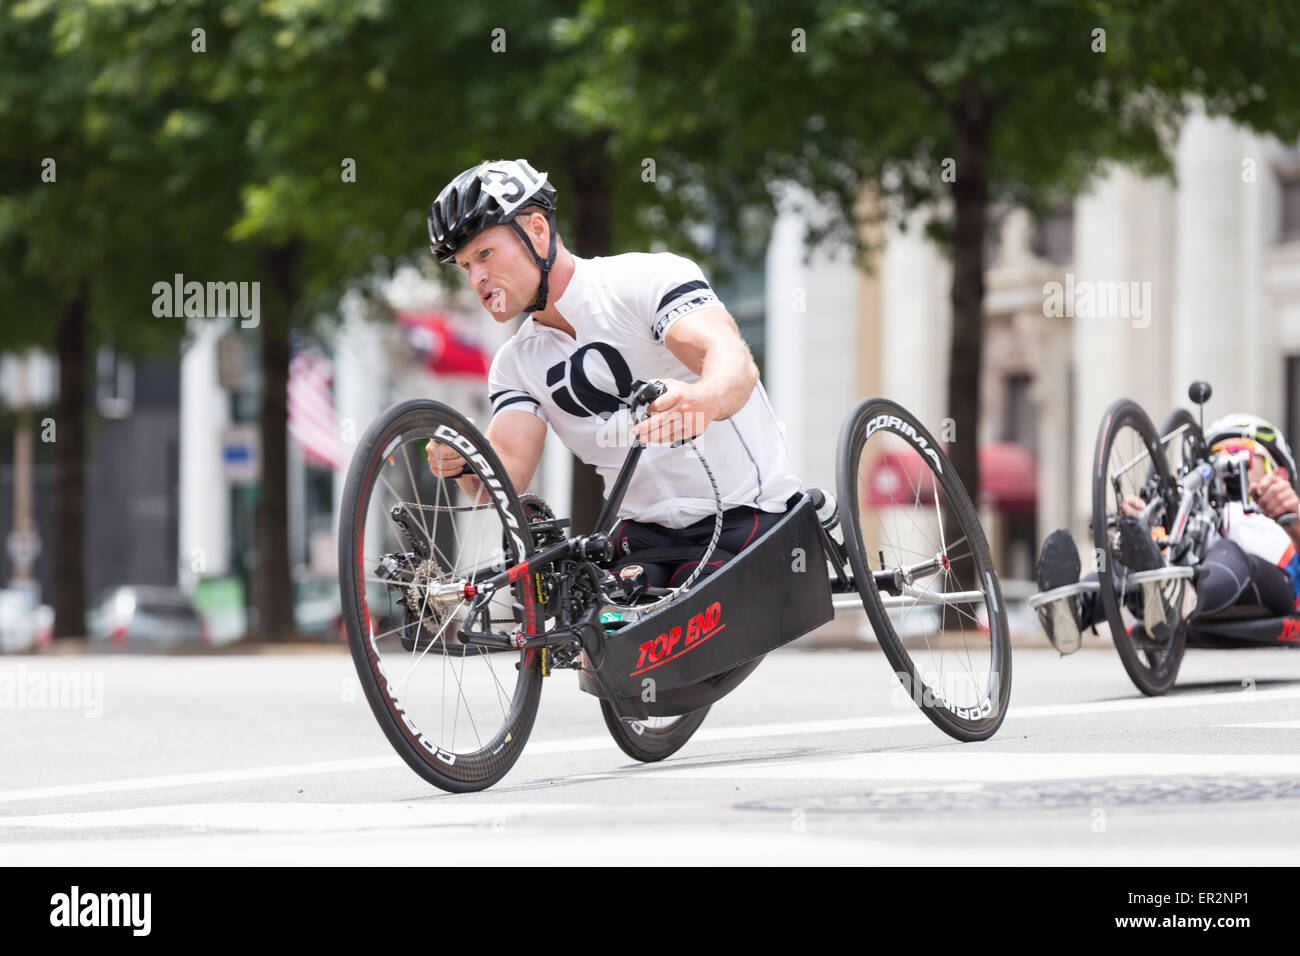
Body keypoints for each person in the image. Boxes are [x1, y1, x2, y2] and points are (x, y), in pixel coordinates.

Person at [422, 159, 800, 589]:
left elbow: (730, 358)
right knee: (596, 640)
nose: (476, 277)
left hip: (746, 514)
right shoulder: (514, 364)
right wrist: (468, 462)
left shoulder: (643, 280)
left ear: (538, 230)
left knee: (681, 636)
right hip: (643, 534)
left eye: (484, 254)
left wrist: (705, 399)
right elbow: (506, 475)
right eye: (465, 265)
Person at [1035, 413, 1300, 653]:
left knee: (1229, 552)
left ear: (1278, 472)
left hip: (1273, 587)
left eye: (1237, 453)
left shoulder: (1284, 515)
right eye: (1214, 455)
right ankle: (1075, 608)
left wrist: (1293, 516)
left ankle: (1182, 594)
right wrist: (1140, 527)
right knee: (1129, 564)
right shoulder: (1200, 515)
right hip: (1188, 578)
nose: (1223, 463)